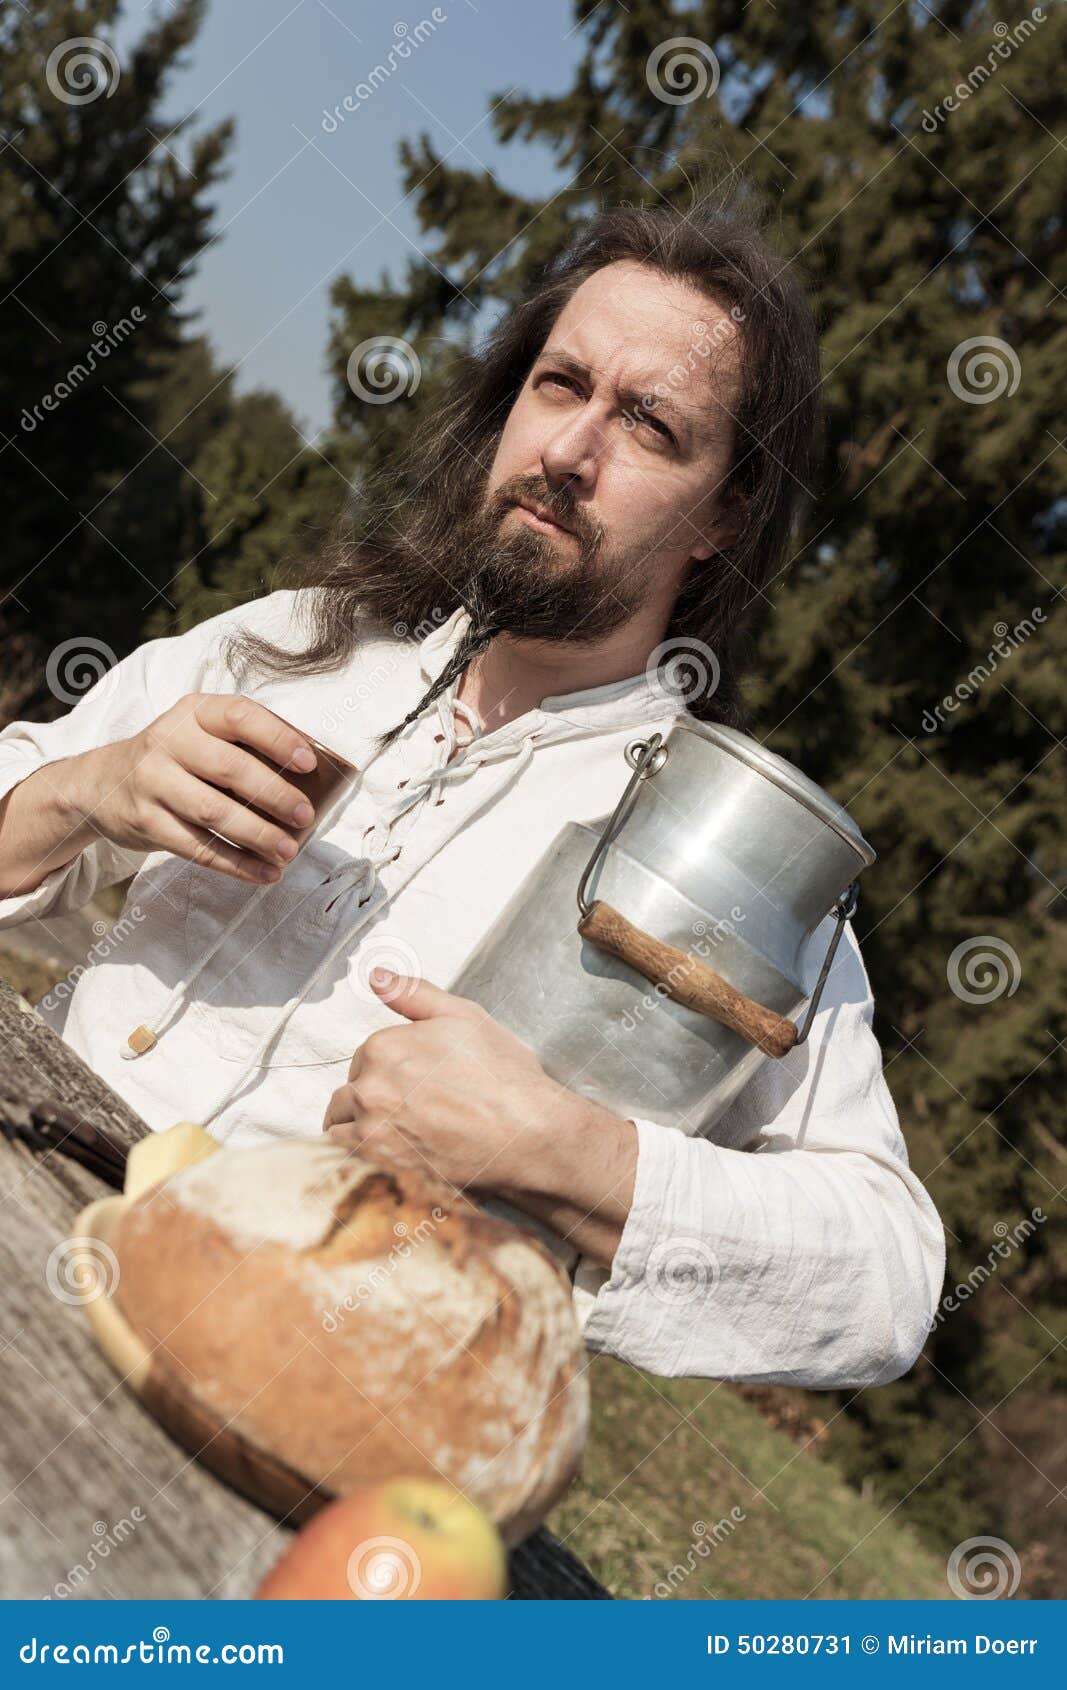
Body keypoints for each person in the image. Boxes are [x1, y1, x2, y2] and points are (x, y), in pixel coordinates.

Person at [0, 192, 944, 1387]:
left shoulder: (718, 857)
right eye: (559, 385)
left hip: (263, 1402)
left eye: (647, 425)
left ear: (721, 517)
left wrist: (572, 1155)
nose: (567, 452)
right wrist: (85, 788)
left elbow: (889, 1275)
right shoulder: (300, 642)